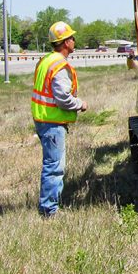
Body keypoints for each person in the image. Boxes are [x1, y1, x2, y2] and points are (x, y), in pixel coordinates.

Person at [30, 21, 87, 217]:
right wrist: (80, 104)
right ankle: (49, 210)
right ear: (65, 43)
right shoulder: (60, 66)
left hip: (43, 119)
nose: (74, 41)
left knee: (52, 164)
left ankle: (50, 206)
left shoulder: (47, 60)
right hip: (52, 123)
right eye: (71, 38)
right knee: (54, 167)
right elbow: (62, 98)